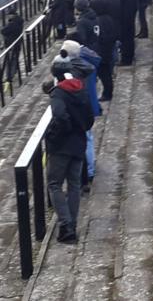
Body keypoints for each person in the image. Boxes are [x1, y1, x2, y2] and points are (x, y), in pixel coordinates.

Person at [44, 52, 95, 243]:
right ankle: (72, 223)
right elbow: (89, 118)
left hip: (62, 146)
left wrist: (54, 136)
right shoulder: (80, 88)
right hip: (79, 143)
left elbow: (60, 116)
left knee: (54, 184)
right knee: (74, 184)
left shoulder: (58, 93)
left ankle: (66, 225)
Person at [61, 38, 100, 189]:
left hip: (79, 108)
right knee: (88, 137)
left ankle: (87, 171)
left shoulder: (72, 71)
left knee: (85, 139)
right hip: (89, 106)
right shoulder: (87, 65)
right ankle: (89, 168)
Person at [116, 0, 138, 66]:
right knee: (130, 37)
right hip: (131, 16)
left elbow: (118, 6)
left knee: (124, 39)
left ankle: (126, 59)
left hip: (123, 18)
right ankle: (131, 55)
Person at [2, 11, 24, 93]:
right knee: (15, 59)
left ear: (12, 15)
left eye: (9, 15)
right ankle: (13, 73)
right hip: (17, 43)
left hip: (11, 44)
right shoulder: (19, 21)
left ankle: (9, 78)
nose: (8, 17)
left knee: (9, 61)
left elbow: (3, 31)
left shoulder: (12, 23)